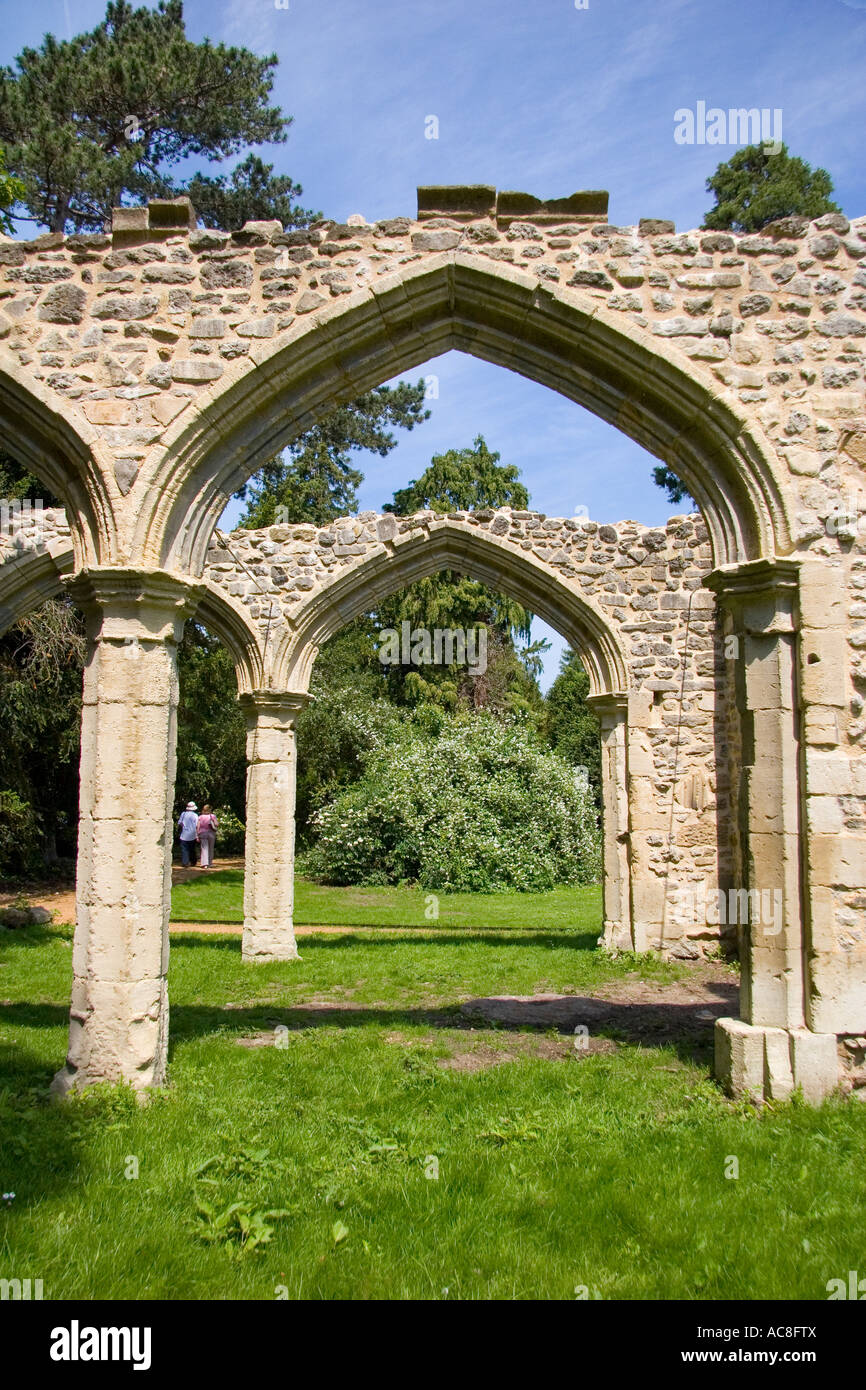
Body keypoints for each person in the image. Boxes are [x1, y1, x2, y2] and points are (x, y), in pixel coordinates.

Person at [197, 804, 218, 869]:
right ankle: (210, 863)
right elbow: (216, 824)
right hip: (211, 833)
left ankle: (204, 863)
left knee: (204, 849)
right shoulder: (212, 816)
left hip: (202, 833)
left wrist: (197, 835)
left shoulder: (200, 817)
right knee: (211, 848)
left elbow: (198, 826)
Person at [177, 802, 199, 866]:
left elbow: (180, 823)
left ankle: (185, 862)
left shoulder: (183, 814)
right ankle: (193, 861)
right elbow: (197, 825)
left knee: (184, 849)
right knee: (192, 849)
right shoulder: (195, 815)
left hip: (184, 834)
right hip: (192, 834)